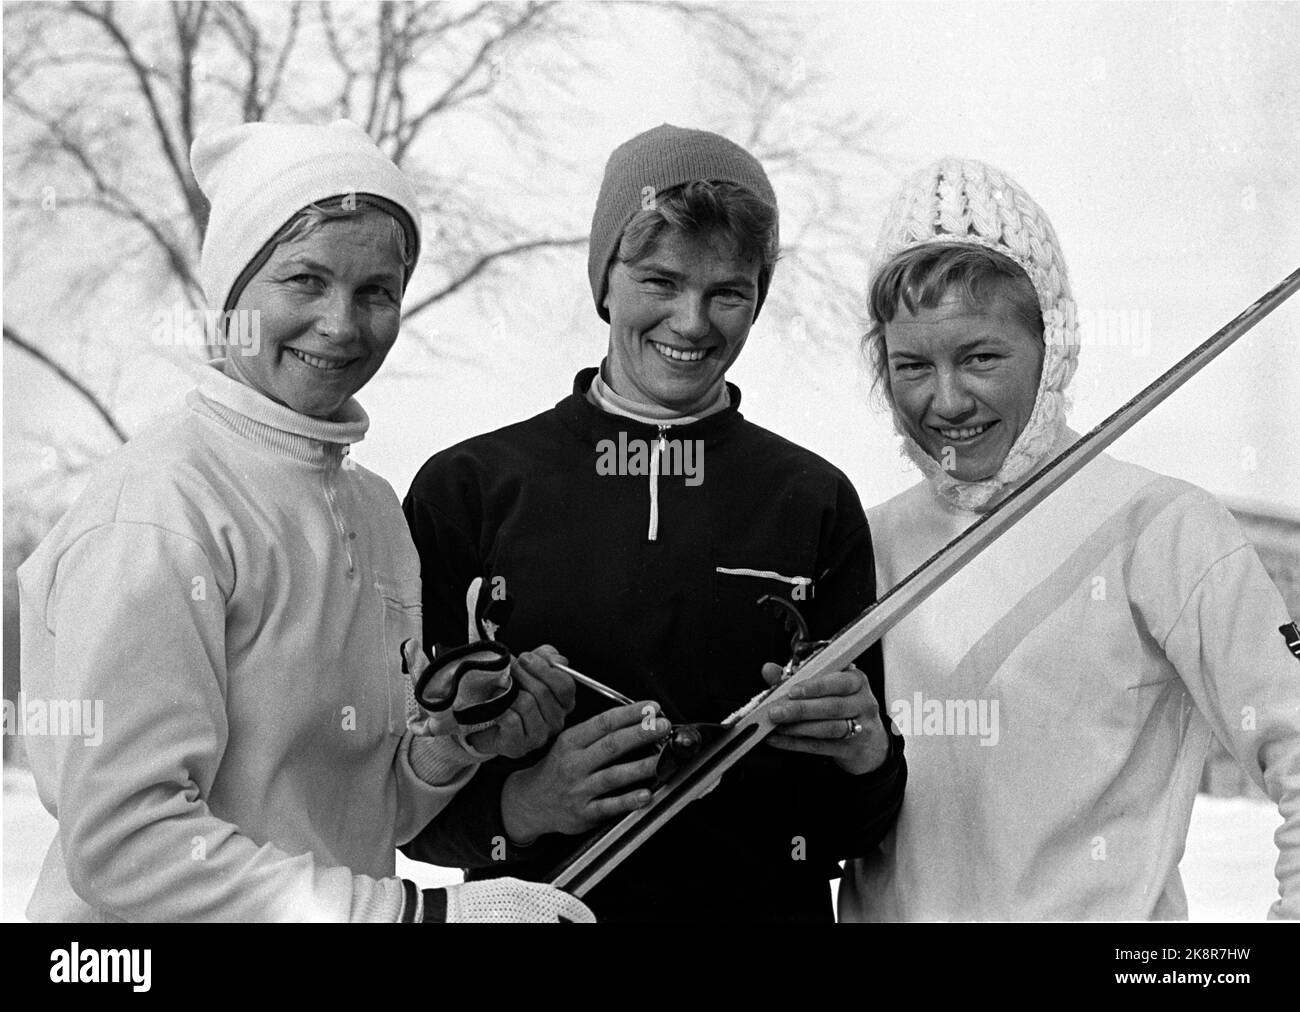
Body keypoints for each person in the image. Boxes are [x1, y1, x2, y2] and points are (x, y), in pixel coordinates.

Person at [18, 119, 591, 923]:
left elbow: (354, 818)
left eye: (376, 292)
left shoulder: (374, 511)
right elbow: (127, 842)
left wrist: (456, 740)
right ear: (233, 296)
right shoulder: (160, 509)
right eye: (305, 281)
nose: (342, 324)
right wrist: (415, 917)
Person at [401, 123, 907, 922]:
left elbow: (857, 826)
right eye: (660, 281)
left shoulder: (812, 500)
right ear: (605, 281)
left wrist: (867, 753)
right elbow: (404, 815)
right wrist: (529, 805)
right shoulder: (469, 491)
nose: (694, 322)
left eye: (728, 293)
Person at [838, 157, 1300, 920]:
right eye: (912, 365)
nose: (946, 400)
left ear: (1050, 344)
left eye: (982, 356)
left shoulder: (1162, 526)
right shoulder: (868, 543)